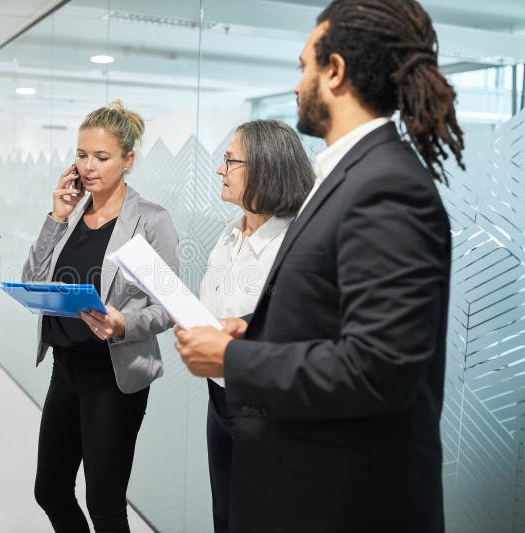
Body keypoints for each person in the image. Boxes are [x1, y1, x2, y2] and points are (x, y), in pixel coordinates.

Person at [174, 0, 464, 531]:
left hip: (347, 503)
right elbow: (328, 313)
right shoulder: (351, 176)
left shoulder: (387, 186)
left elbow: (379, 368)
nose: (296, 84)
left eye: (304, 65)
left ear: (335, 71)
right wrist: (254, 331)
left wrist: (235, 360)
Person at [23, 100, 179, 533]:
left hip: (113, 377)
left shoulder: (149, 222)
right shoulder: (70, 215)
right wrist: (55, 216)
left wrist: (124, 324)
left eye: (101, 157)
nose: (88, 166)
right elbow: (34, 281)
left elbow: (167, 306)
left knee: (105, 503)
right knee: (50, 489)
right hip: (65, 368)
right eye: (81, 154)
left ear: (128, 160)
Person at [199, 120, 313, 533]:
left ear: (265, 167)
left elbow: (296, 332)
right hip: (219, 396)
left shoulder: (295, 245)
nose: (220, 169)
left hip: (266, 406)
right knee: (224, 515)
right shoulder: (231, 232)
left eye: (230, 160)